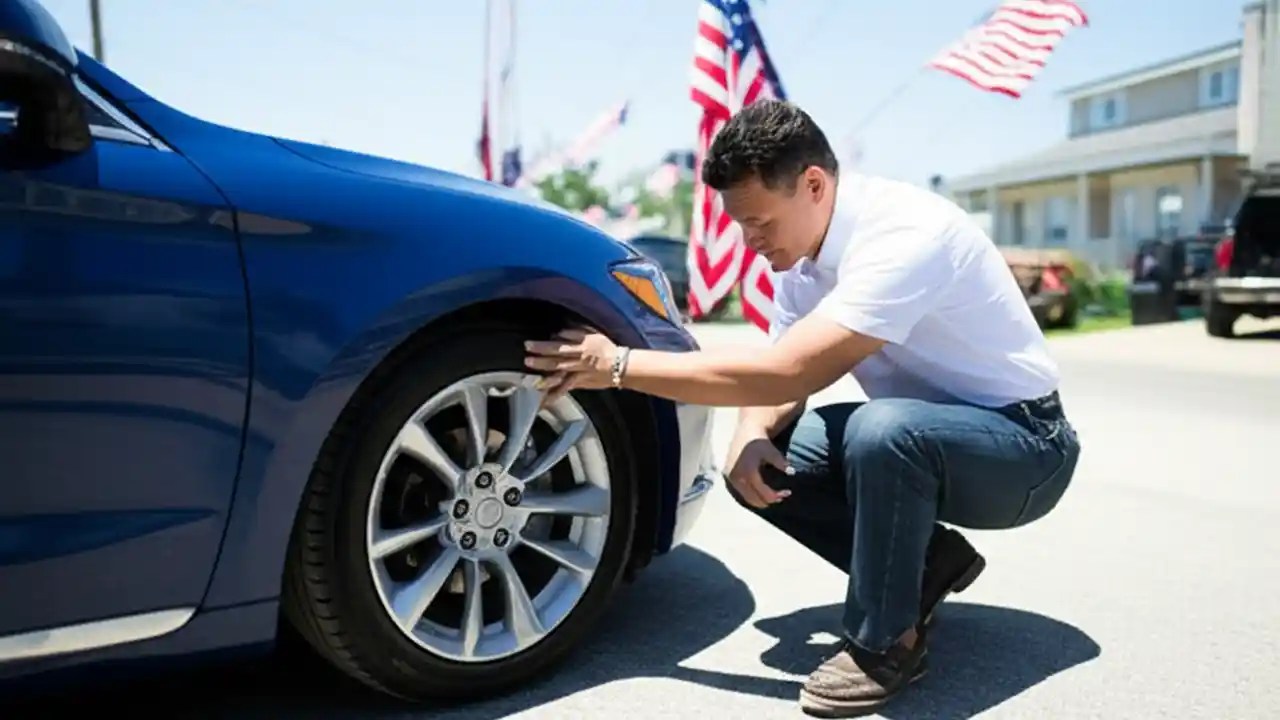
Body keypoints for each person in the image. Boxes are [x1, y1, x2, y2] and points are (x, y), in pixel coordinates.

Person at [523, 99, 1080, 718]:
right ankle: (926, 565)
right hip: (930, 441)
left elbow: (791, 370)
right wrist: (752, 436)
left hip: (1026, 450)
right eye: (739, 224)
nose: (749, 239)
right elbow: (780, 373)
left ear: (813, 184)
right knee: (770, 461)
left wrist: (618, 367)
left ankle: (884, 644)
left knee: (883, 431)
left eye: (759, 221)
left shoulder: (905, 235)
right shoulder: (802, 260)